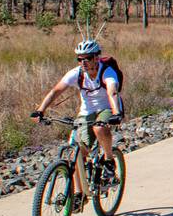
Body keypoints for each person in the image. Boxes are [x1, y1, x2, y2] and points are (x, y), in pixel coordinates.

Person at [32, 39, 123, 199]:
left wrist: (116, 113)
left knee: (99, 127)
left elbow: (112, 93)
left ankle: (109, 160)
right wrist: (40, 110)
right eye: (80, 59)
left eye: (87, 58)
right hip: (86, 112)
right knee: (77, 152)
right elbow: (56, 91)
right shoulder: (76, 73)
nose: (83, 62)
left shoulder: (107, 72)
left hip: (108, 107)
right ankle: (79, 194)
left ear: (96, 58)